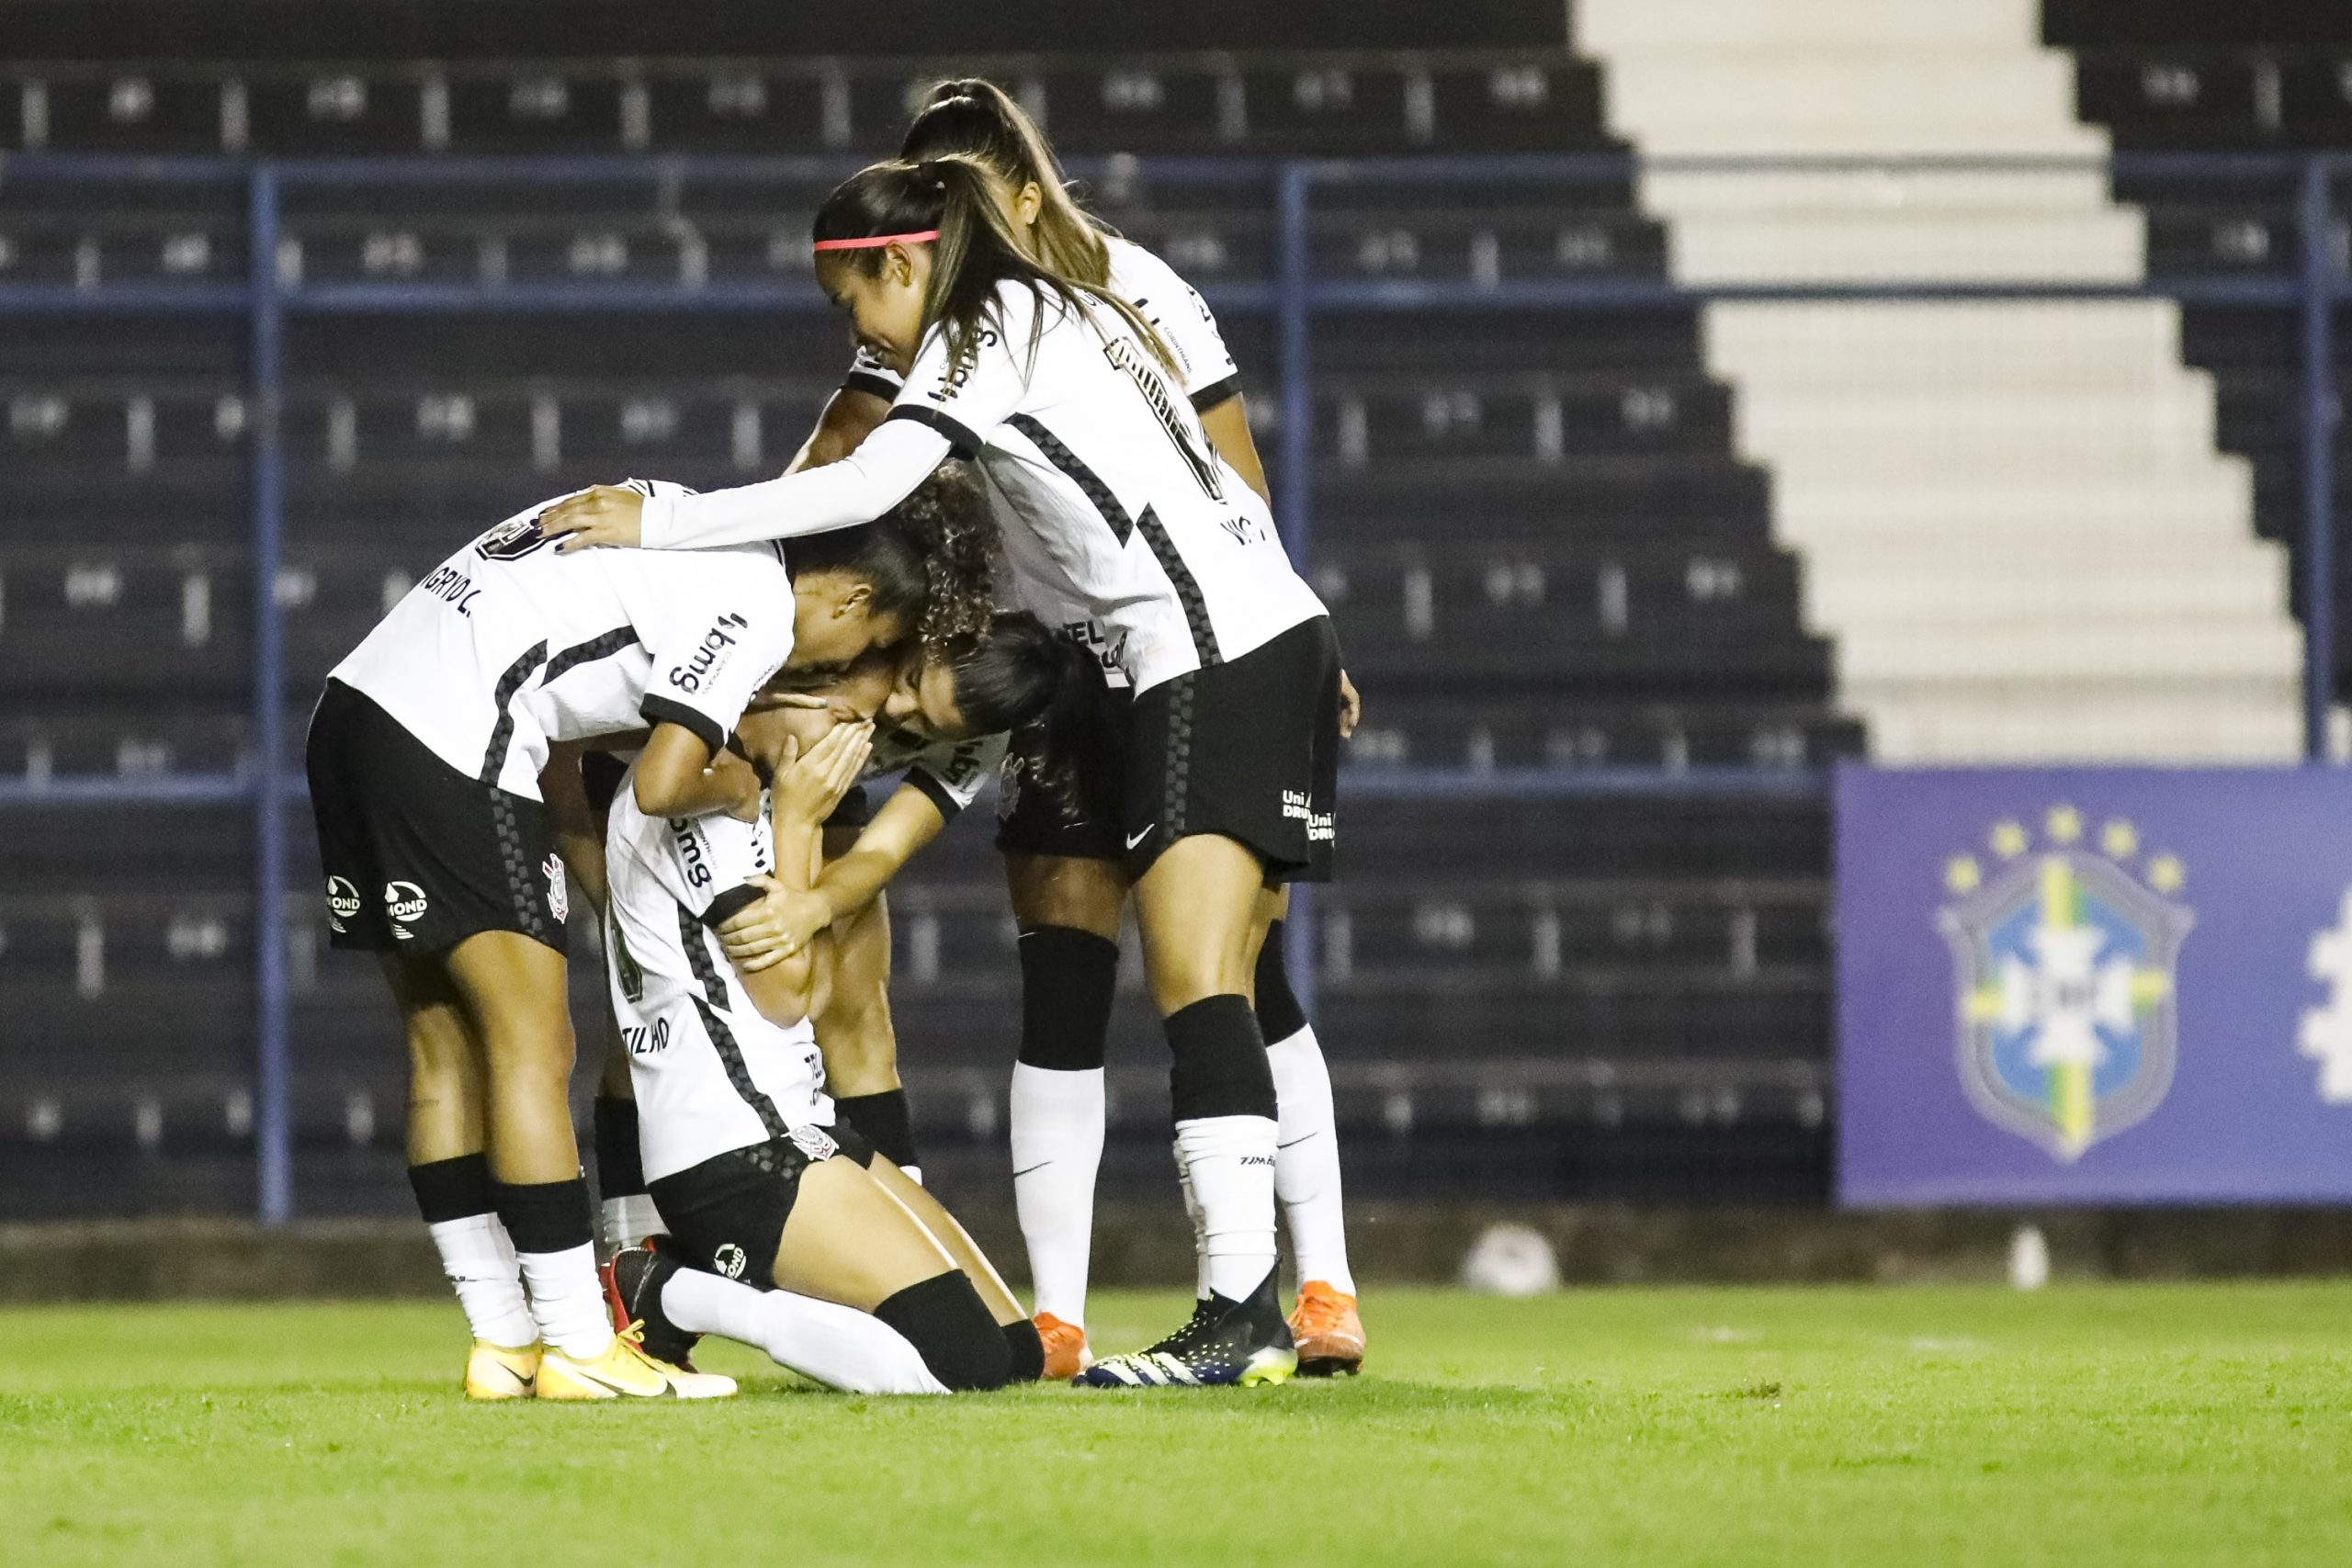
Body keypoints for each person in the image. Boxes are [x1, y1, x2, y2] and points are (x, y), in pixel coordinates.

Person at [540, 155, 1340, 1390]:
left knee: (1199, 974)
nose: (853, 334)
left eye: (853, 299)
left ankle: (1253, 1300)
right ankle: (644, 1242)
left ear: (907, 260)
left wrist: (665, 519)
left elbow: (864, 482)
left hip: (1211, 648)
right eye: (893, 686)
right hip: (1231, 635)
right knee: (673, 958)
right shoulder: (1042, 333)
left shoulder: (996, 324)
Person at [741, 79, 1366, 1381]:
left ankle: (1312, 1284)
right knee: (1072, 971)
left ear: (1025, 194)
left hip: (1191, 644)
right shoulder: (937, 316)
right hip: (1064, 667)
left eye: (967, 196)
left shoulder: (1120, 294)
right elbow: (834, 467)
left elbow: (1227, 473)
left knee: (1234, 964)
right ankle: (1073, 1313)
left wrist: (1301, 617)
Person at [307, 478, 944, 1400]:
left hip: (354, 715)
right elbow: (661, 782)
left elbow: (570, 723)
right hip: (457, 742)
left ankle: (504, 1345)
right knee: (533, 1046)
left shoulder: (665, 524)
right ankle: (577, 1345)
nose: (844, 666)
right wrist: (744, 790)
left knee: (442, 1048)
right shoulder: (757, 604)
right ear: (850, 598)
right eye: (871, 644)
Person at [594, 694, 1044, 1393]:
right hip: (732, 1151)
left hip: (803, 1126)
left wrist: (798, 837)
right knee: (968, 1364)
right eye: (844, 713)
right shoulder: (708, 800)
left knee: (1018, 1352)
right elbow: (789, 995)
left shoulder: (756, 794)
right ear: (783, 691)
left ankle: (696, 1280)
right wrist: (800, 824)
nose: (859, 739)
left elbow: (822, 990)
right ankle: (669, 1293)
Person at [592, 615, 1084, 1243]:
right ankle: (631, 1260)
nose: (897, 710)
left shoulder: (978, 737)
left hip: (814, 784)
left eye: (925, 726)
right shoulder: (845, 629)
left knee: (857, 1016)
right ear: (928, 636)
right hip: (689, 767)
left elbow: (880, 853)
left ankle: (905, 1261)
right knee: (639, 1017)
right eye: (907, 680)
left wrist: (812, 905)